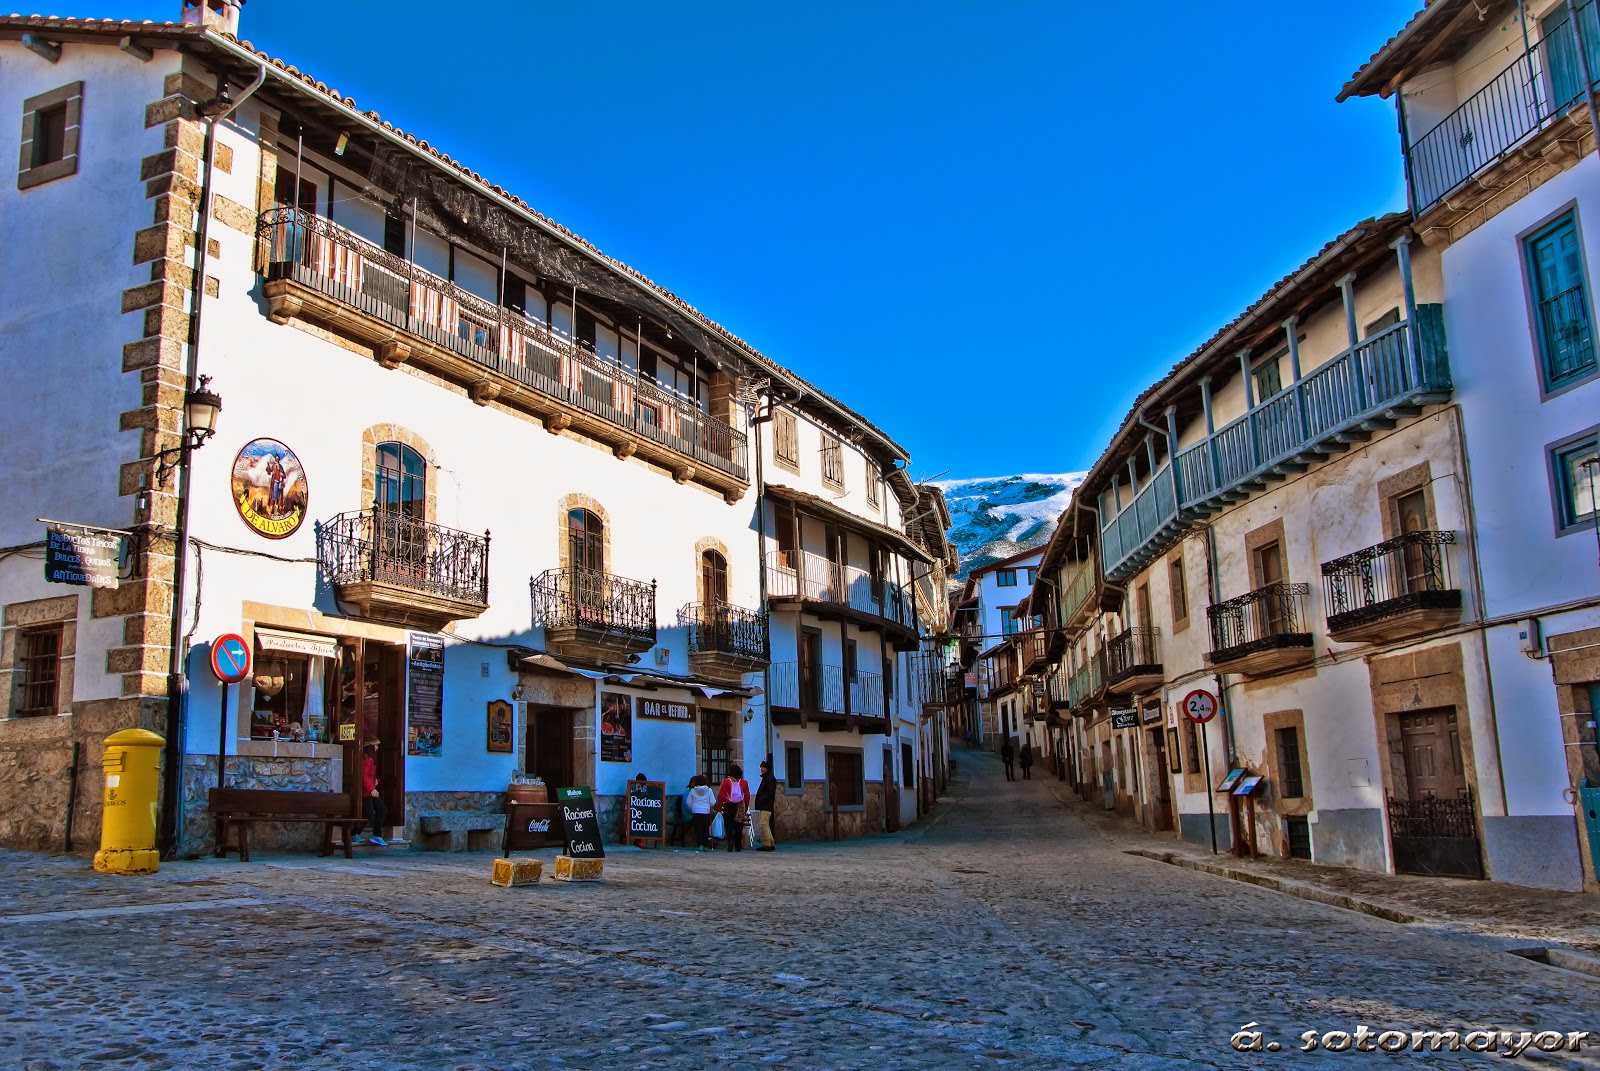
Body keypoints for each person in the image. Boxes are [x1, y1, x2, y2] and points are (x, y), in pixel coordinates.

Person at [354, 740, 387, 846]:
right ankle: (353, 833)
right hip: (366, 792)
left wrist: (375, 780)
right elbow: (364, 776)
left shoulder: (370, 759)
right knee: (368, 813)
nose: (377, 747)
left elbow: (369, 775)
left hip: (369, 791)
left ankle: (376, 835)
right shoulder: (366, 760)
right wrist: (372, 789)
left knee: (381, 809)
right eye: (376, 745)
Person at [716, 763, 752, 853]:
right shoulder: (744, 783)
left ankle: (730, 840)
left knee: (728, 825)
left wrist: (719, 808)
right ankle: (738, 846)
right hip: (740, 805)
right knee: (739, 826)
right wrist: (746, 807)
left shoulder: (726, 781)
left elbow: (721, 795)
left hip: (729, 805)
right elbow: (747, 796)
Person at [684, 775, 717, 851]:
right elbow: (713, 802)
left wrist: (693, 808)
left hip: (696, 812)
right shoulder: (709, 790)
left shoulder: (692, 791)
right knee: (705, 828)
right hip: (705, 812)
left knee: (698, 829)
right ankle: (705, 845)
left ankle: (700, 845)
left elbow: (688, 802)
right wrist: (707, 806)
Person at [752, 758, 777, 852]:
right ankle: (771, 842)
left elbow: (768, 793)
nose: (761, 769)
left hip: (766, 805)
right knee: (765, 824)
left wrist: (761, 800)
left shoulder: (769, 779)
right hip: (765, 805)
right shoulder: (768, 778)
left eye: (762, 767)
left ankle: (767, 844)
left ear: (767, 768)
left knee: (763, 824)